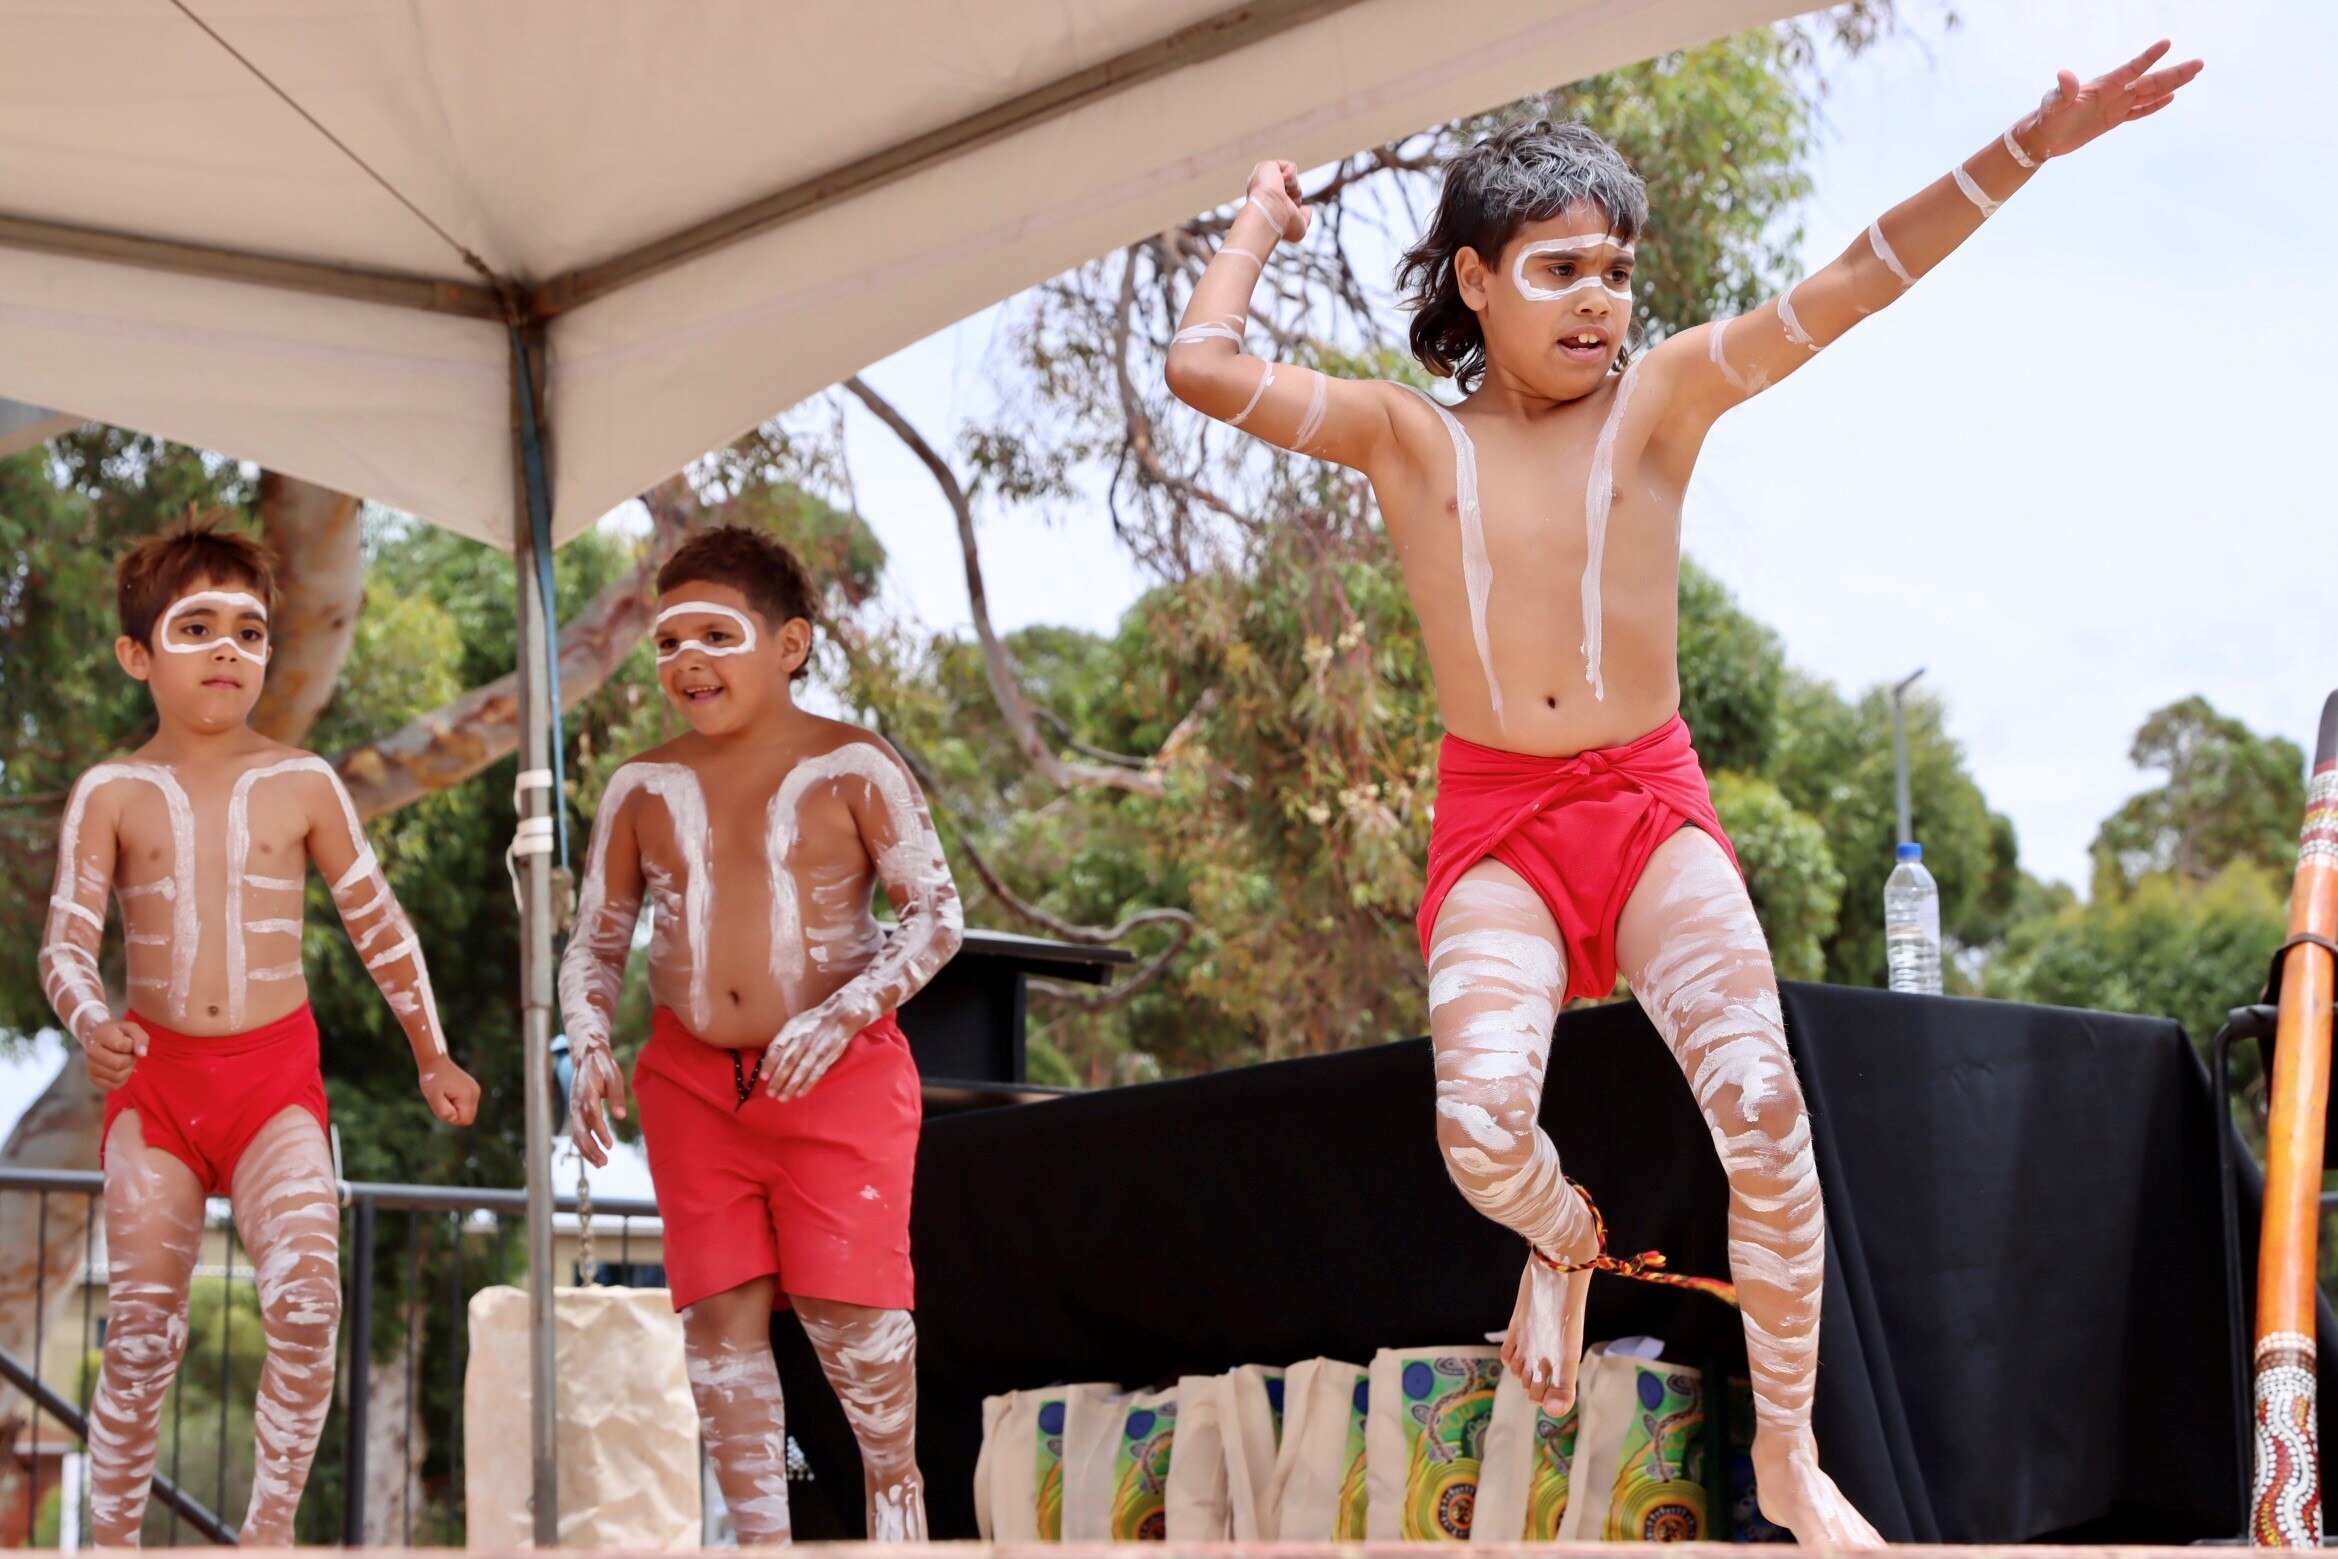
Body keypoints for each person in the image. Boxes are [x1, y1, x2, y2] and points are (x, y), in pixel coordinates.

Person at [1164, 42, 2199, 1546]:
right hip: (1501, 830)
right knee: (1475, 1137)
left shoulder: (1658, 400)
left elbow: (1851, 280)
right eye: (1558, 266)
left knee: (1765, 1113)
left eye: (1616, 265)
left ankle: (1787, 1450)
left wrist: (2026, 143)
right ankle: (1565, 1240)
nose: (1600, 294)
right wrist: (1260, 217)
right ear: (1470, 279)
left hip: (1647, 807)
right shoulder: (1408, 436)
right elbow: (1198, 369)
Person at [39, 513, 480, 1546]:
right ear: (137, 655)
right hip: (156, 1086)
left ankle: (270, 1534)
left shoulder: (305, 780)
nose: (229, 647)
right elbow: (65, 941)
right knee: (141, 1332)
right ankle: (111, 1540)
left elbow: (379, 923)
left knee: (310, 1301)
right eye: (197, 627)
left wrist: (432, 1050)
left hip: (275, 1081)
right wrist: (89, 1016)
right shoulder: (111, 789)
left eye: (249, 628)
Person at [559, 524, 964, 1543]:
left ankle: (895, 1502)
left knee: (850, 1314)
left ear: (790, 644)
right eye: (667, 641)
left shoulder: (855, 763)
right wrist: (587, 1035)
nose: (686, 660)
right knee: (718, 1322)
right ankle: (758, 1536)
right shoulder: (639, 785)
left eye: (715, 634)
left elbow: (936, 916)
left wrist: (839, 1014)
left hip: (839, 1072)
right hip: (693, 1081)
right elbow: (596, 940)